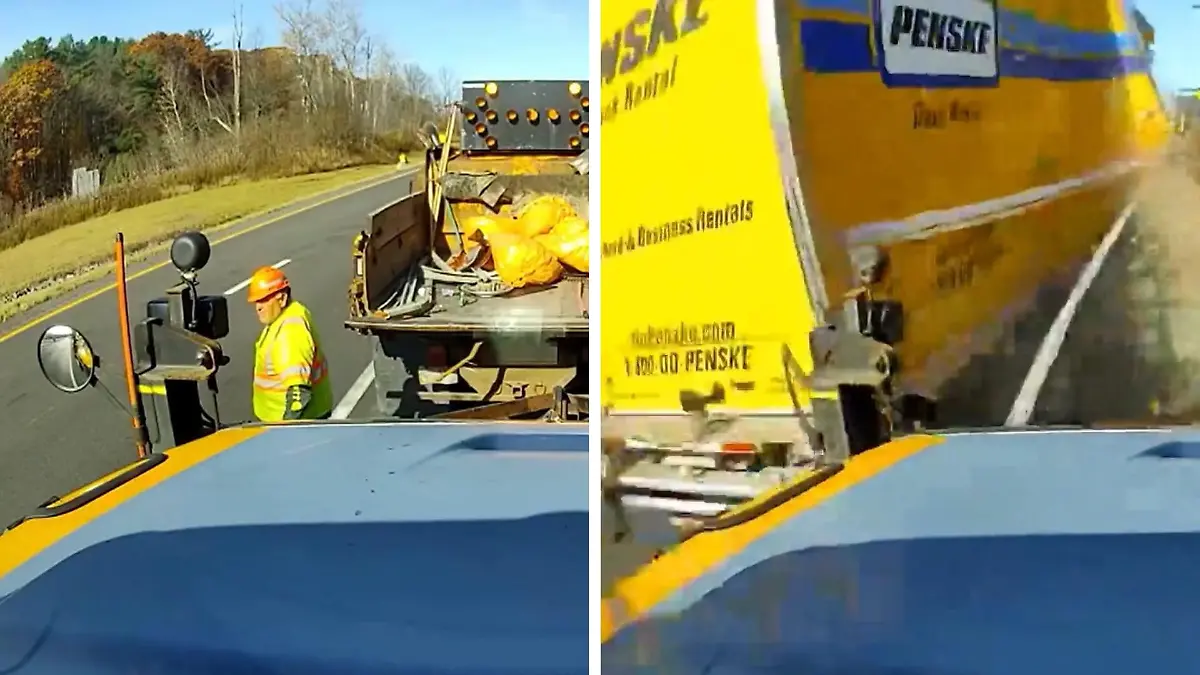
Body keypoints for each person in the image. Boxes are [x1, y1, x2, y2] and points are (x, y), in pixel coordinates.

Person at [247, 266, 334, 421]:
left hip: (296, 425)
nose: (258, 307)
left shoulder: (290, 331)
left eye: (264, 300)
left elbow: (299, 395)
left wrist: (286, 430)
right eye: (256, 301)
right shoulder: (286, 316)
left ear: (282, 299)